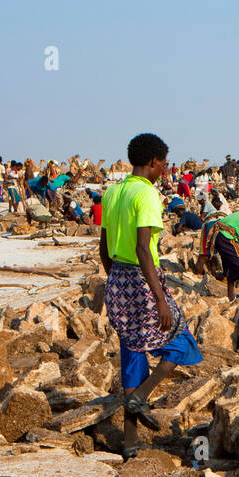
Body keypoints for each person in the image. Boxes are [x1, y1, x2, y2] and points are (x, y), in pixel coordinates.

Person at [99, 133, 204, 458]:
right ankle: (141, 396)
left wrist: (114, 280)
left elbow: (103, 246)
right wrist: (159, 299)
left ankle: (130, 441)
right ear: (154, 161)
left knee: (133, 351)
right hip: (142, 279)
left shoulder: (112, 192)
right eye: (164, 164)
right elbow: (144, 249)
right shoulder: (146, 194)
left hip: (117, 277)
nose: (164, 170)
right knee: (181, 340)